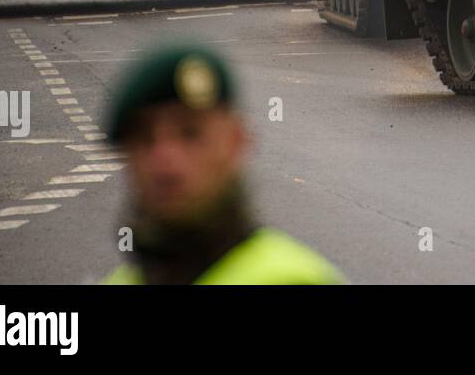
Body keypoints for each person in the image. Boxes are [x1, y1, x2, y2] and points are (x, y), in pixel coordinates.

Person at [103, 44, 344, 285]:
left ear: (236, 142)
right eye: (145, 139)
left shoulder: (292, 280)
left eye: (190, 133)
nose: (165, 157)